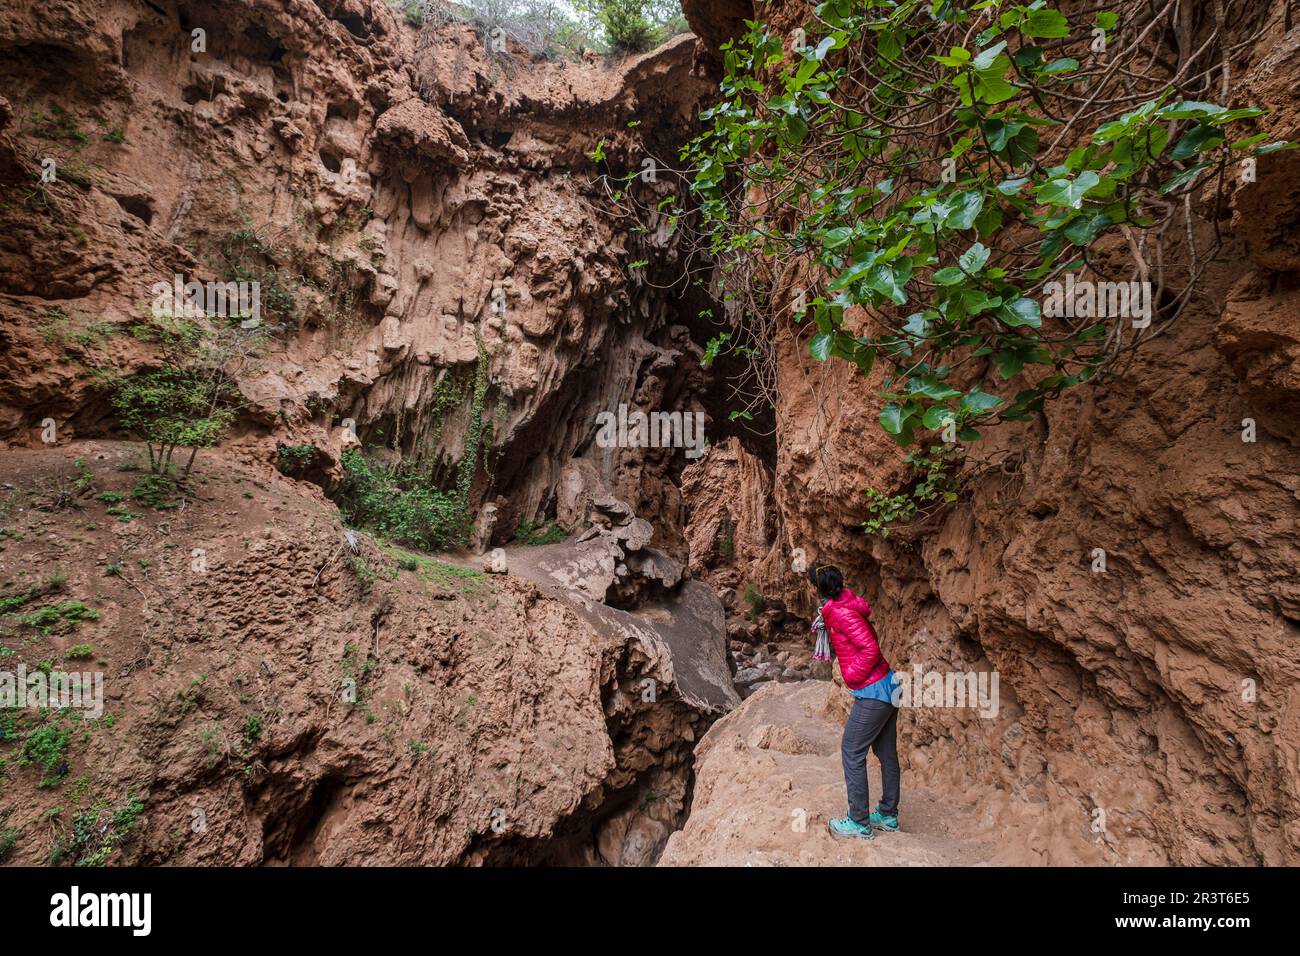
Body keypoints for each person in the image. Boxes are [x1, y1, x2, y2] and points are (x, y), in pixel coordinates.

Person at [809, 564, 900, 840]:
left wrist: (851, 674)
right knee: (886, 754)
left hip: (874, 691)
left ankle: (859, 823)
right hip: (888, 685)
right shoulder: (844, 603)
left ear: (818, 589)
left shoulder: (838, 613)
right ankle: (888, 814)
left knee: (851, 750)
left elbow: (871, 648)